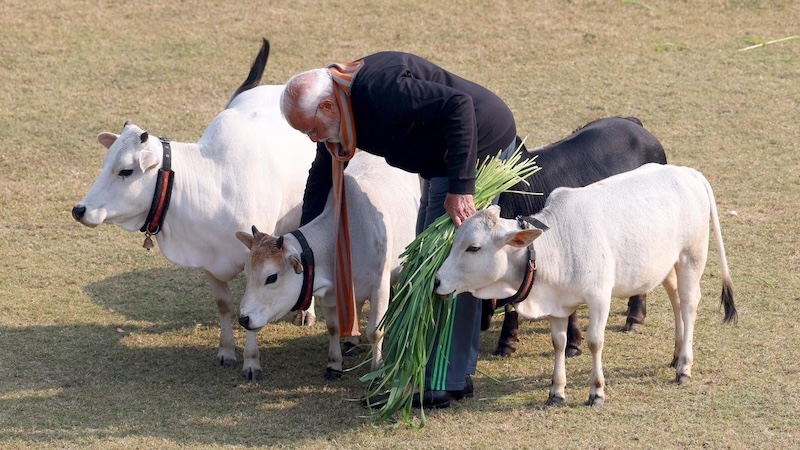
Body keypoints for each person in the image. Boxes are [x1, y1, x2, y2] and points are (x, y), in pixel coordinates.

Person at [280, 51, 518, 409]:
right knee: (440, 263)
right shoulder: (340, 109)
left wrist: (461, 187)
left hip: (476, 148)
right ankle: (453, 375)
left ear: (328, 107)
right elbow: (320, 178)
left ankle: (435, 383)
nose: (313, 139)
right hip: (437, 160)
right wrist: (305, 239)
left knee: (436, 269)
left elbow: (459, 105)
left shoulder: (379, 90)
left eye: (310, 129)